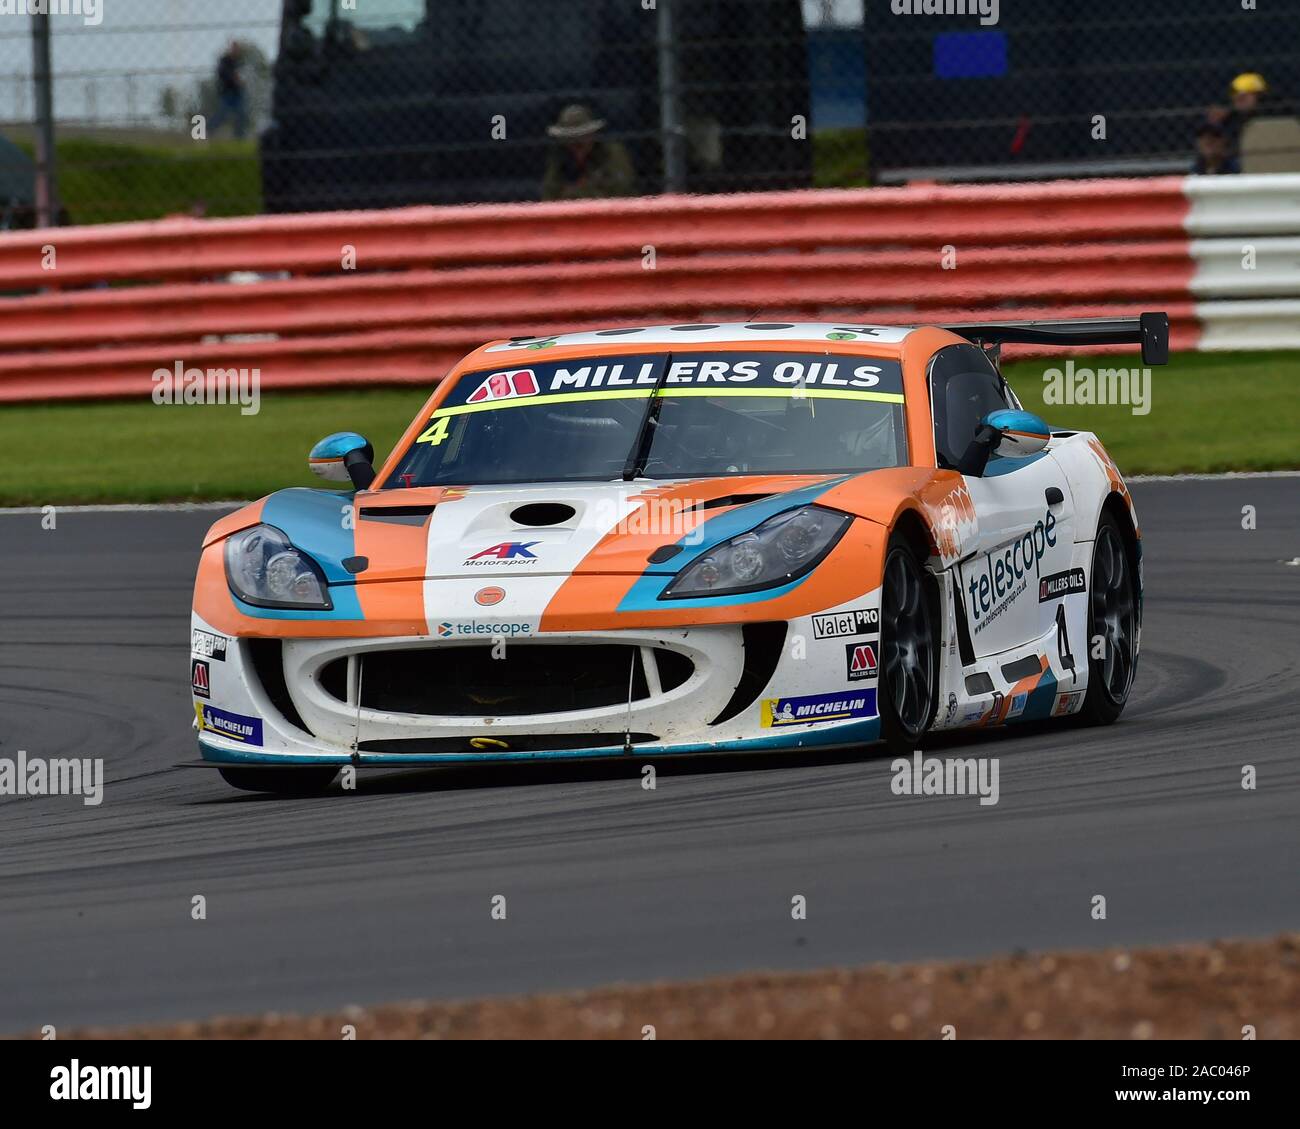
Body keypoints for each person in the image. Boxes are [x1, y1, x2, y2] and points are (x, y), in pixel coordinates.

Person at [541, 104, 636, 201]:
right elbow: (549, 195)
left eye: (581, 136)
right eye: (570, 137)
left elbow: (621, 190)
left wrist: (578, 192)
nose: (576, 142)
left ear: (592, 134)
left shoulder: (612, 153)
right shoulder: (559, 158)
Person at [1201, 72, 1268, 168]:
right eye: (1237, 96)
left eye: (1245, 96)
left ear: (1259, 97)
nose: (1239, 99)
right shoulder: (1228, 119)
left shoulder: (1270, 118)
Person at [210, 42, 248, 140]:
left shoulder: (240, 61)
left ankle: (239, 137)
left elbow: (244, 74)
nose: (236, 51)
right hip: (227, 92)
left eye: (237, 49)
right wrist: (233, 78)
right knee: (222, 114)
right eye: (234, 48)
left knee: (241, 114)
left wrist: (241, 81)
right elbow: (222, 74)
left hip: (238, 92)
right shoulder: (225, 60)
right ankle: (207, 131)